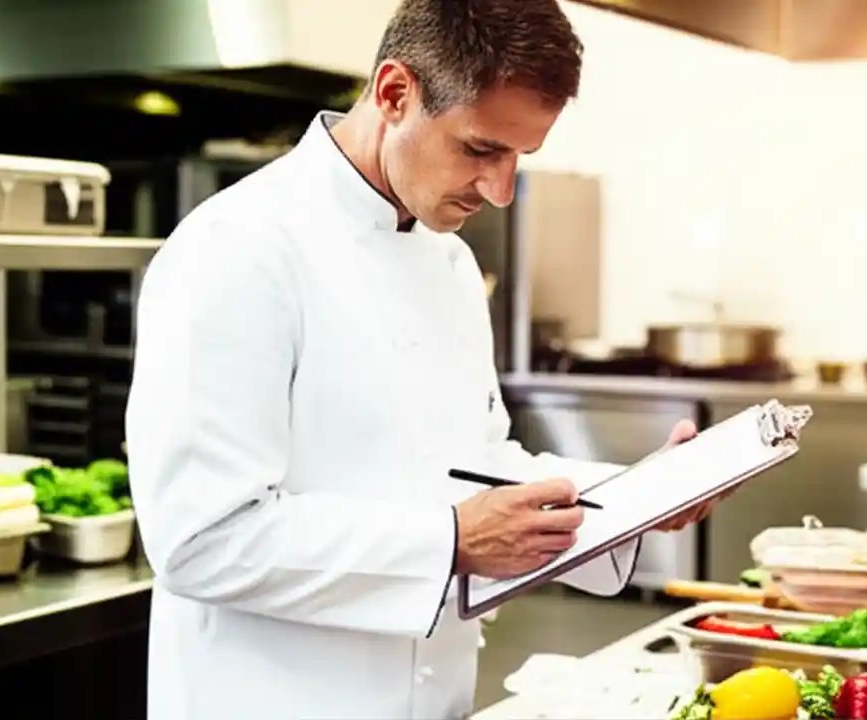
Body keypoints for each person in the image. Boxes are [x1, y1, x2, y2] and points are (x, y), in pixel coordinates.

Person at [125, 1, 718, 717]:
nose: (500, 191)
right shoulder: (237, 250)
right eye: (480, 149)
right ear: (395, 93)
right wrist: (451, 543)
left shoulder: (451, 265)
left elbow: (476, 463)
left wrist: (636, 499)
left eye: (519, 158)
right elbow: (200, 539)